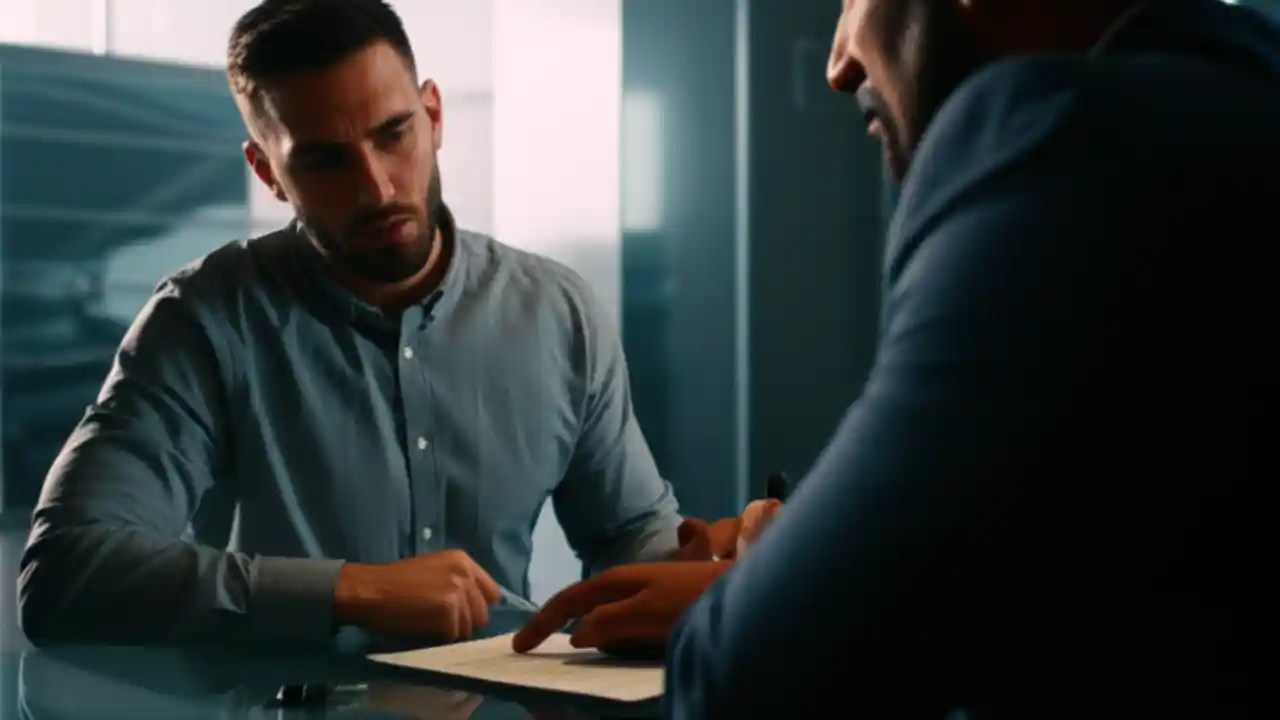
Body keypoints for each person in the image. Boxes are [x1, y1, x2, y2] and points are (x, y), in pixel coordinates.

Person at [517, 0, 1279, 713]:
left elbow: (748, 679)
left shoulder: (1060, 142)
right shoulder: (1242, 88)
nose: (838, 63)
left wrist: (774, 573)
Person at [16, 0, 741, 649]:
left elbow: (625, 538)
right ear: (267, 172)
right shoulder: (202, 321)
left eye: (394, 133)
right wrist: (353, 591)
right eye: (327, 161)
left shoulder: (559, 312)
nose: (378, 186)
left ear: (433, 115)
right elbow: (66, 572)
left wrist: (712, 563)